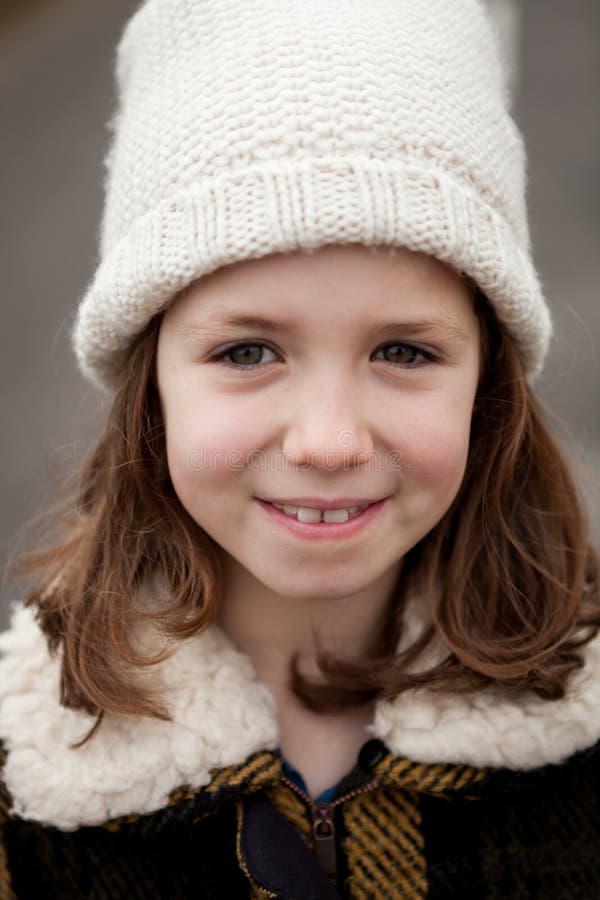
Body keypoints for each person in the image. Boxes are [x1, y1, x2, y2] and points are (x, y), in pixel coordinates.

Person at [1, 0, 599, 896]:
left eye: (404, 352)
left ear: (490, 387)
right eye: (248, 352)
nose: (327, 443)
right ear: (150, 385)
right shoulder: (28, 794)